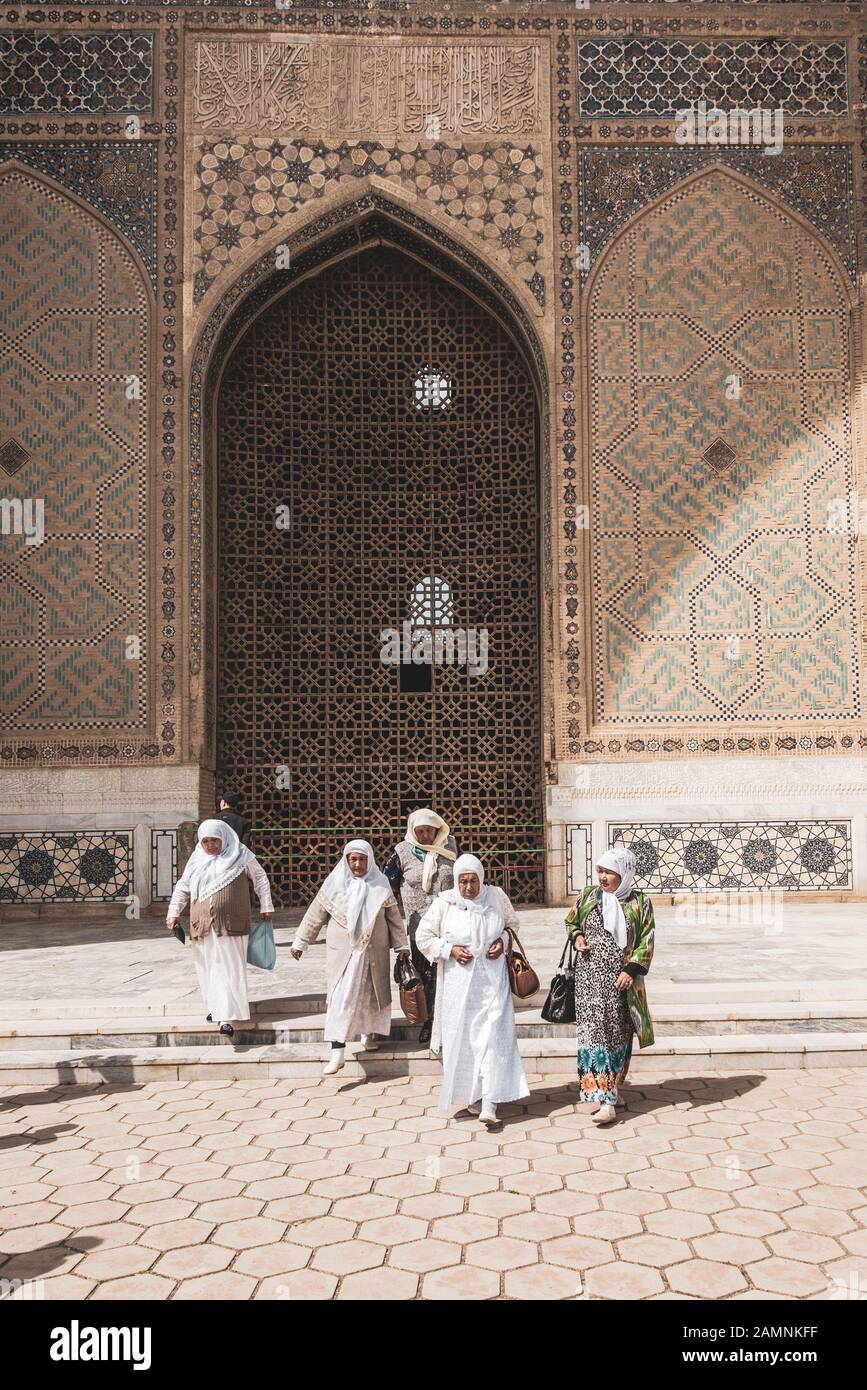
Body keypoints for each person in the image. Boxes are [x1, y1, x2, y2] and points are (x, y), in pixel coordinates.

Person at [415, 853, 528, 1130]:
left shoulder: (496, 897)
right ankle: (474, 1097)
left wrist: (502, 941)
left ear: (481, 878)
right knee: (466, 1042)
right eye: (463, 881)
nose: (468, 887)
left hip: (493, 984)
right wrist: (449, 950)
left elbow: (511, 925)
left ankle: (490, 1102)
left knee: (492, 1040)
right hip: (458, 989)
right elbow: (423, 937)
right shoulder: (445, 903)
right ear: (457, 881)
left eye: (473, 881)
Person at [290, 839, 411, 1076]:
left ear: (370, 860)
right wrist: (301, 942)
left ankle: (368, 1036)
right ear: (346, 861)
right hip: (344, 956)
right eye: (353, 859)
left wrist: (401, 946)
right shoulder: (335, 883)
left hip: (372, 953)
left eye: (362, 859)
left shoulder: (380, 883)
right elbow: (315, 915)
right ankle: (337, 1052)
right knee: (340, 999)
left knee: (371, 996)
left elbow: (394, 920)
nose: (357, 864)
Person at [565, 847, 655, 1125]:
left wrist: (631, 969)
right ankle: (606, 1098)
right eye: (600, 871)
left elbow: (647, 939)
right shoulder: (589, 895)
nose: (603, 877)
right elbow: (571, 921)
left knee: (618, 1035)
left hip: (621, 982)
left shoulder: (640, 902)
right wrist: (578, 937)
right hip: (589, 980)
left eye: (610, 873)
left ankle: (612, 1088)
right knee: (594, 1036)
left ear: (624, 874)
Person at [166, 818, 273, 1037]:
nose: (210, 845)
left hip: (231, 923)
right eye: (205, 841)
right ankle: (215, 1008)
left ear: (223, 838)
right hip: (202, 924)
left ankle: (226, 1017)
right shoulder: (197, 859)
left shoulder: (240, 855)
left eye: (214, 840)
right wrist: (173, 913)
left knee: (228, 968)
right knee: (207, 967)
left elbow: (260, 878)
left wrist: (266, 904)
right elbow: (183, 888)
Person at [384, 809, 458, 1047]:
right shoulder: (401, 852)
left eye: (430, 830)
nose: (426, 836)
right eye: (420, 831)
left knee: (447, 975)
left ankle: (444, 1022)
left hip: (449, 926)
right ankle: (428, 1022)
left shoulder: (452, 847)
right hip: (419, 928)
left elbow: (466, 878)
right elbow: (387, 889)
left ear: (438, 829)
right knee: (425, 976)